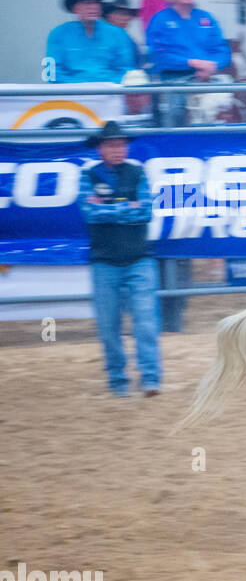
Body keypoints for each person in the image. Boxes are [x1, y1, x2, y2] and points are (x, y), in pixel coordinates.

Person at [78, 121, 162, 398]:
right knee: (108, 326)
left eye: (121, 144)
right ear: (101, 148)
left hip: (138, 259)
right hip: (106, 262)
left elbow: (146, 211)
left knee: (146, 322)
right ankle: (118, 380)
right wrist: (127, 206)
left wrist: (110, 207)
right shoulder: (88, 175)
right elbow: (89, 213)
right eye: (112, 144)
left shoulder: (137, 173)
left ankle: (150, 378)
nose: (118, 149)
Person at [145, 0, 231, 126]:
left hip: (208, 77)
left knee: (231, 106)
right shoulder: (160, 20)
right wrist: (194, 63)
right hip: (174, 79)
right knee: (176, 112)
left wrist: (212, 65)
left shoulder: (206, 18)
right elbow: (158, 55)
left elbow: (222, 50)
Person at [44, 0, 136, 84]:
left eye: (96, 3)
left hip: (110, 94)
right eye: (86, 3)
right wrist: (76, 87)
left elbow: (127, 69)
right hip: (70, 94)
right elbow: (50, 72)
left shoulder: (118, 34)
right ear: (75, 8)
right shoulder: (58, 34)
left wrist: (106, 85)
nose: (92, 7)